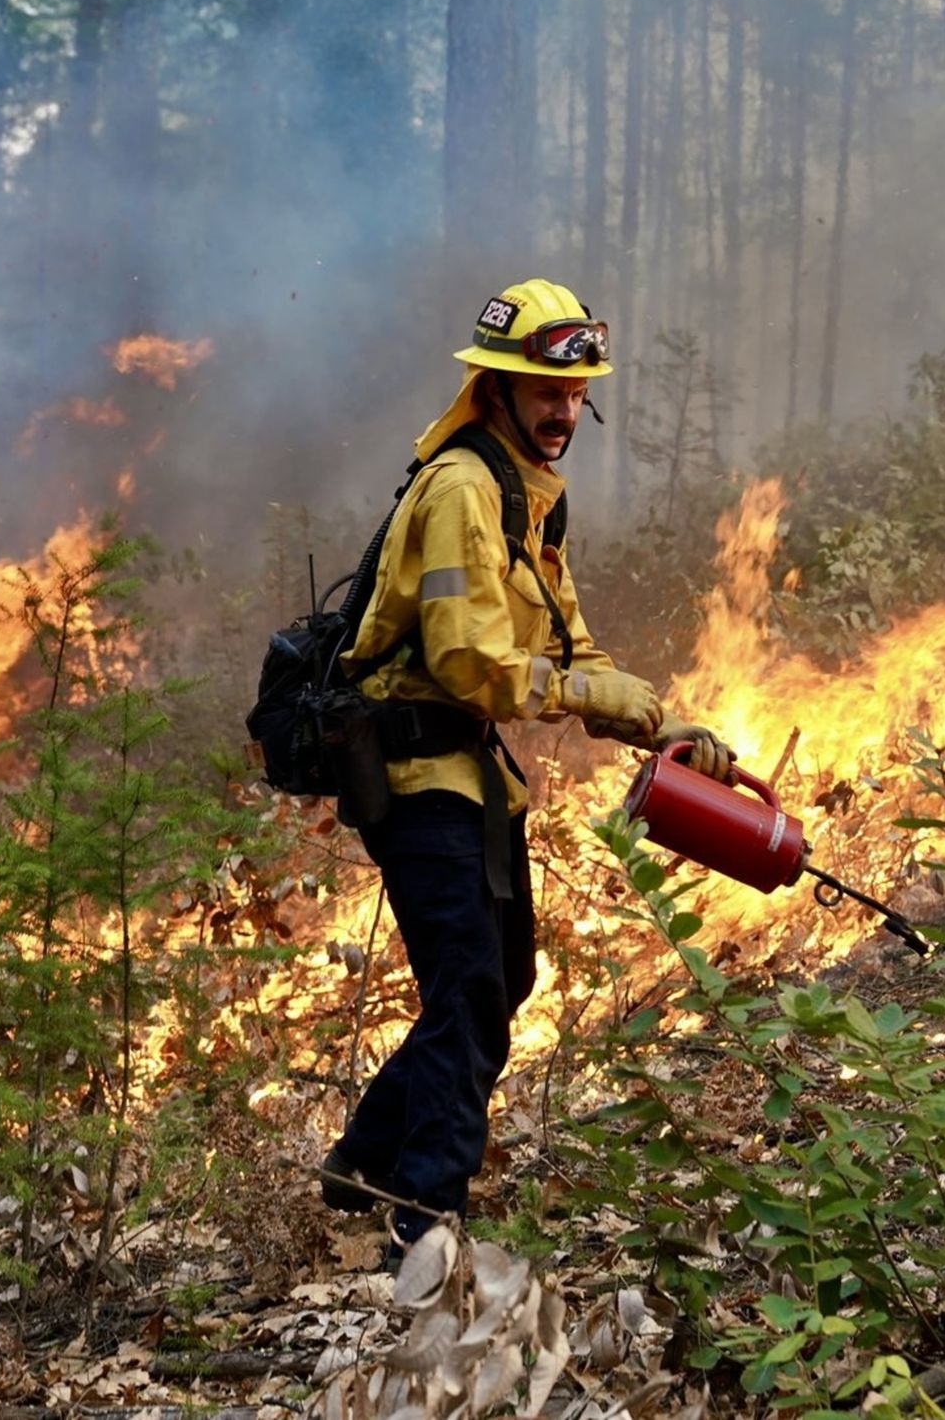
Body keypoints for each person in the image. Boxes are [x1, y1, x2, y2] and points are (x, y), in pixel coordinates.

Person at [319, 278, 738, 1250]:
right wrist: (604, 699)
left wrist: (664, 723)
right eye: (545, 392)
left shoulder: (526, 499)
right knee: (466, 987)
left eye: (576, 393)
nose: (565, 412)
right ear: (494, 389)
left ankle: (365, 1156)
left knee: (500, 981)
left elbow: (569, 647)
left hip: (472, 775)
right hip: (418, 776)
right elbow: (470, 663)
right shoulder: (465, 489)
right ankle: (424, 1216)